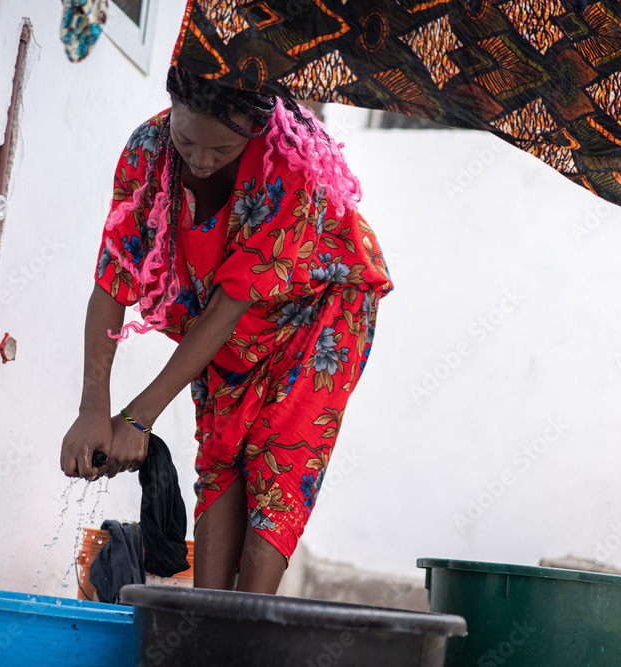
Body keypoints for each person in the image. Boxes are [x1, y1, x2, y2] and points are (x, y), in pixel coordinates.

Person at [60, 66, 392, 595]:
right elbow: (112, 276)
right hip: (231, 328)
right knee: (220, 459)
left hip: (320, 312)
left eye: (223, 149)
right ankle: (201, 634)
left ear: (254, 131)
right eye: (187, 138)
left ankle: (243, 637)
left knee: (277, 469)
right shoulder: (148, 149)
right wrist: (93, 408)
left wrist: (138, 417)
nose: (201, 159)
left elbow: (228, 304)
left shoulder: (291, 166)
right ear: (172, 107)